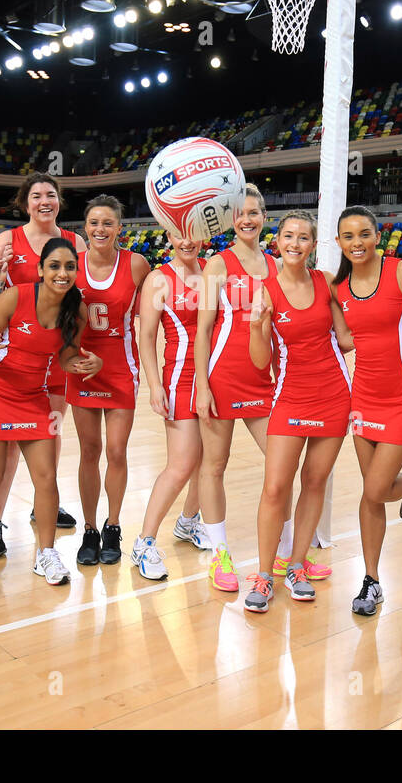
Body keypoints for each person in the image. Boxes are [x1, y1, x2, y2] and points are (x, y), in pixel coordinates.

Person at [194, 186, 327, 593]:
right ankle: (221, 556)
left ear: (264, 217)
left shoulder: (276, 264)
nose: (247, 220)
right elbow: (202, 330)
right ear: (229, 220)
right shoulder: (217, 264)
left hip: (266, 380)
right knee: (214, 465)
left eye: (253, 212)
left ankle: (288, 554)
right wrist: (202, 386)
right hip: (222, 375)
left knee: (280, 472)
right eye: (239, 214)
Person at [0, 237, 103, 595]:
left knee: (46, 476)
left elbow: (66, 359)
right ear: (40, 270)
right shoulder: (15, 297)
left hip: (34, 396)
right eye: (54, 266)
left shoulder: (76, 309)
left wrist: (87, 363)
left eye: (69, 266)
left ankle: (47, 554)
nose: (62, 273)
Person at [242, 211, 353, 613]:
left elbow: (345, 338)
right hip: (289, 397)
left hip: (334, 396)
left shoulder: (327, 283)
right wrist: (257, 327)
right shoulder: (265, 291)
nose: (295, 243)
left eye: (303, 237)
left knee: (315, 482)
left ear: (312, 244)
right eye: (288, 236)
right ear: (278, 241)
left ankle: (297, 565)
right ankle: (263, 575)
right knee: (275, 487)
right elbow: (259, 362)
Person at [0, 172, 86, 558]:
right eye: (37, 195)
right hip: (16, 363)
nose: (45, 201)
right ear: (26, 203)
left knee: (50, 434)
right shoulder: (9, 241)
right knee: (7, 445)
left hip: (56, 357)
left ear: (59, 202)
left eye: (51, 195)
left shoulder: (76, 242)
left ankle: (48, 501)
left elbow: (79, 297)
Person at [333, 207, 402, 616]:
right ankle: (371, 581)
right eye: (348, 236)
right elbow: (344, 338)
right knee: (371, 492)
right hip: (363, 398)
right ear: (338, 242)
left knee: (375, 489)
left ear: (378, 236)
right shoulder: (337, 287)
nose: (357, 242)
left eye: (364, 234)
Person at [68, 195, 150, 567]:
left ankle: (113, 525)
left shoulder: (136, 265)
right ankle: (88, 529)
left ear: (120, 227)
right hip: (82, 366)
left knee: (116, 451)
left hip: (120, 366)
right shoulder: (72, 265)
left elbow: (152, 319)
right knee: (89, 452)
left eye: (107, 223)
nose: (100, 230)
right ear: (84, 227)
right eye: (93, 223)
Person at [132, 231, 212, 580]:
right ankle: (144, 542)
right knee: (180, 465)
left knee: (209, 460)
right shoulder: (158, 279)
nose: (187, 242)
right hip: (180, 377)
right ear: (168, 236)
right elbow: (146, 337)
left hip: (215, 377)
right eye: (180, 236)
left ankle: (189, 521)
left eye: (194, 235)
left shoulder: (214, 271)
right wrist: (154, 386)